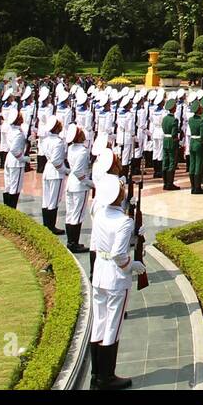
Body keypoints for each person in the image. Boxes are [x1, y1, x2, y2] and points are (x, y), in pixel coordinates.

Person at [89, 166, 146, 390]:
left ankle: (96, 374)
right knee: (112, 325)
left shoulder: (99, 213)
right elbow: (118, 254)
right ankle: (107, 377)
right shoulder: (123, 222)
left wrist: (134, 235)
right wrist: (134, 266)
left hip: (100, 274)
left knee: (99, 324)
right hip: (115, 277)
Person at [64, 123, 92, 252]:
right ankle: (74, 243)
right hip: (80, 186)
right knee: (77, 215)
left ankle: (71, 242)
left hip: (70, 184)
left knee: (70, 214)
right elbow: (79, 172)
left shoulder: (71, 148)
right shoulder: (82, 151)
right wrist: (90, 183)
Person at [40, 116, 68, 235]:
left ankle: (47, 224)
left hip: (48, 170)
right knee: (53, 200)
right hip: (56, 172)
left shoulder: (46, 140)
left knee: (46, 199)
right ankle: (51, 226)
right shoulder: (58, 142)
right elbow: (57, 161)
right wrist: (66, 171)